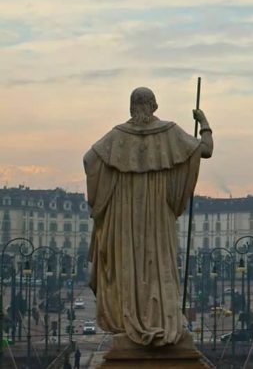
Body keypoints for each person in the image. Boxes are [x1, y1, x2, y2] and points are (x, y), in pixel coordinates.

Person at [84, 87, 214, 347]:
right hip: (158, 215)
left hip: (125, 215)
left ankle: (129, 319)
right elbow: (206, 150)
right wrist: (203, 122)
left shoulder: (117, 136)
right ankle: (163, 320)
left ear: (132, 107)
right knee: (159, 264)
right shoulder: (170, 132)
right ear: (154, 105)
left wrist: (102, 198)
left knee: (128, 266)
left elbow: (89, 160)